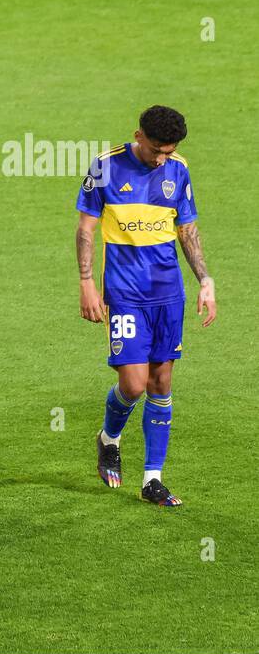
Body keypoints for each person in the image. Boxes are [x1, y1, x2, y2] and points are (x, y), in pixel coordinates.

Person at [77, 105, 215, 506]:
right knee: (133, 383)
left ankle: (152, 479)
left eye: (168, 151)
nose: (161, 158)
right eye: (156, 149)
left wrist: (205, 280)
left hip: (167, 293)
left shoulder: (178, 169)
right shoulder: (105, 167)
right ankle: (109, 437)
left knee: (161, 383)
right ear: (139, 135)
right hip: (123, 293)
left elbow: (186, 229)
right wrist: (86, 283)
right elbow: (86, 227)